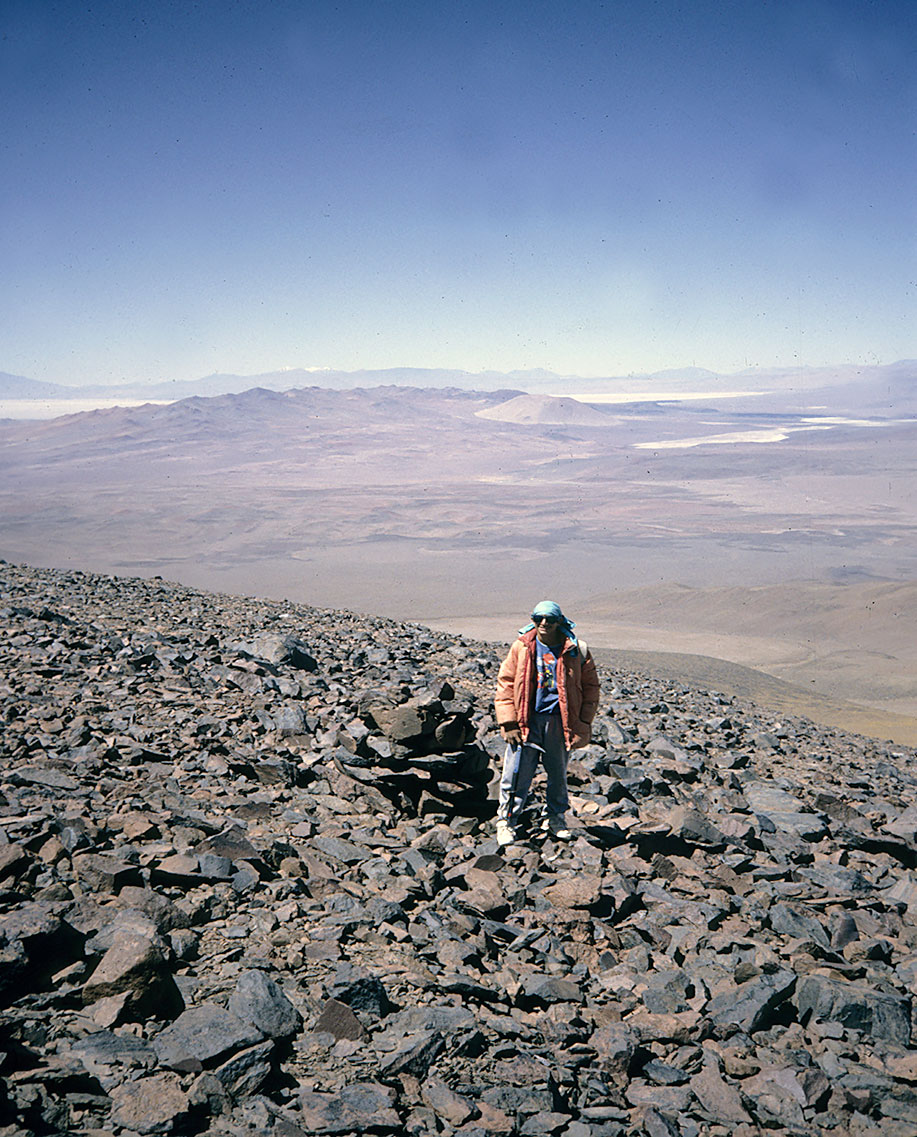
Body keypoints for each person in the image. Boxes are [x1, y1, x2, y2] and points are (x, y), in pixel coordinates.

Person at [493, 600, 600, 845]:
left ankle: (555, 818)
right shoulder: (522, 647)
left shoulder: (575, 649)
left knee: (558, 774)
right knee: (517, 772)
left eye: (549, 619)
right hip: (526, 722)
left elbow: (591, 688)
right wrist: (508, 723)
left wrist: (583, 722)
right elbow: (506, 684)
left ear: (559, 621)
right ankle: (506, 821)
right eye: (538, 618)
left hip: (560, 722)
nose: (543, 623)